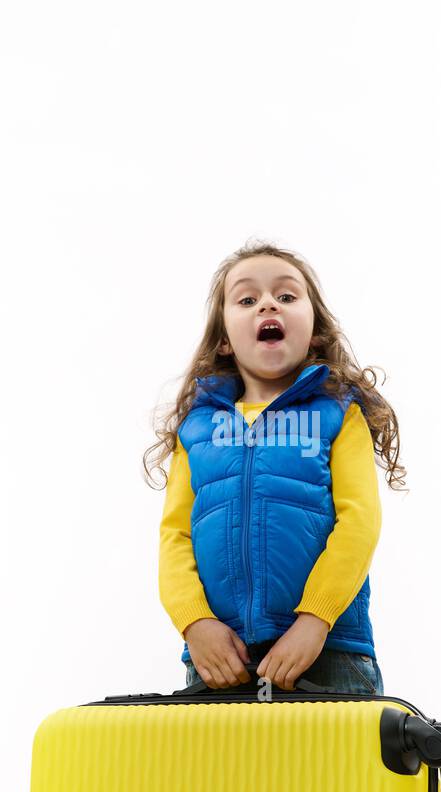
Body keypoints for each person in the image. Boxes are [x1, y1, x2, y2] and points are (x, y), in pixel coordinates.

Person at [145, 240, 407, 695]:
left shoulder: (338, 412)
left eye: (287, 296)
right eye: (247, 299)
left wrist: (314, 620)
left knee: (333, 769)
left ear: (317, 331)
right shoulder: (197, 427)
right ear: (225, 339)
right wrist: (195, 624)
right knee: (224, 770)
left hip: (329, 651)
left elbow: (359, 521)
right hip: (219, 657)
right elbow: (175, 535)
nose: (268, 303)